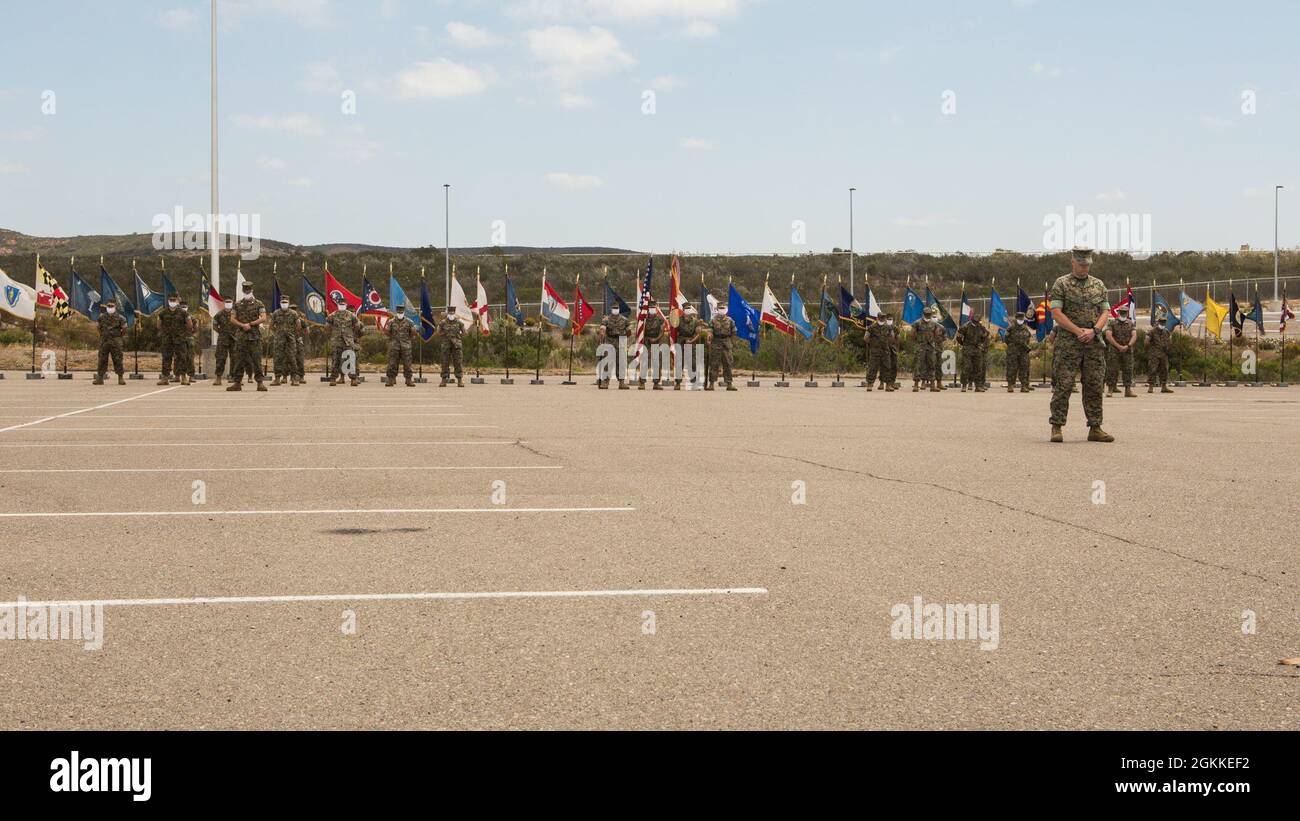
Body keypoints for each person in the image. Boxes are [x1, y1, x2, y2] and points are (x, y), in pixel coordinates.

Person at [1047, 247, 1113, 442]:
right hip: (1069, 343)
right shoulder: (1062, 284)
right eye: (1081, 264)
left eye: (1087, 265)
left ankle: (1095, 427)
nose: (1084, 268)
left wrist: (1094, 331)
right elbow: (1056, 313)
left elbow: (1105, 312)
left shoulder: (1099, 285)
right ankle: (1056, 427)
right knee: (1064, 385)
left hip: (1093, 343)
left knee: (1094, 385)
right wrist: (1078, 331)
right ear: (1073, 262)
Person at [227, 280, 267, 392]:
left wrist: (251, 324)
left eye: (248, 290)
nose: (247, 292)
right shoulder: (237, 304)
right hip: (241, 336)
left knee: (256, 360)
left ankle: (260, 383)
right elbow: (232, 319)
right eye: (245, 290)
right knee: (239, 360)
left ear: (252, 290)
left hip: (254, 336)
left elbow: (263, 317)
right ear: (243, 291)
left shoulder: (259, 304)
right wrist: (242, 325)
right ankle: (237, 383)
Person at [328, 298, 362, 386]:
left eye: (343, 304)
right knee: (336, 359)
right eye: (340, 304)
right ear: (338, 305)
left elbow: (357, 325)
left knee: (351, 359)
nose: (342, 306)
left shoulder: (351, 315)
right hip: (336, 341)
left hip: (348, 341)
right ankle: (333, 378)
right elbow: (327, 326)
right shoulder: (333, 315)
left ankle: (353, 379)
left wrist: (351, 334)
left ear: (346, 305)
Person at [93, 298, 127, 385]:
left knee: (118, 359)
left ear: (115, 307)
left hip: (116, 341)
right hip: (104, 341)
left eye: (111, 306)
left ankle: (120, 378)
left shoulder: (120, 317)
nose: (110, 307)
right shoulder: (102, 317)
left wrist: (119, 336)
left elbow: (124, 328)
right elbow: (98, 327)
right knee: (102, 359)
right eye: (108, 306)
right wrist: (103, 335)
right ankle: (100, 378)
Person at [1104, 311, 1137, 398]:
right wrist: (1118, 346)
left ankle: (1128, 390)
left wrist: (1128, 346)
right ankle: (1110, 389)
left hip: (1127, 350)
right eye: (1121, 312)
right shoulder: (1112, 323)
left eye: (1124, 313)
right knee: (1112, 369)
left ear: (1127, 313)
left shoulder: (1130, 323)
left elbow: (1134, 335)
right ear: (1118, 313)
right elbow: (1108, 335)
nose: (1123, 314)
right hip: (1114, 350)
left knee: (1128, 369)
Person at [597, 305, 631, 388]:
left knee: (621, 362)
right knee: (607, 361)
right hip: (609, 341)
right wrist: (601, 337)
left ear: (619, 309)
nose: (615, 310)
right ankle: (605, 382)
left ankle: (621, 382)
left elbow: (629, 331)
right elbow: (602, 329)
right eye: (614, 308)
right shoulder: (606, 319)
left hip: (620, 341)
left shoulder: (624, 320)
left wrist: (624, 337)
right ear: (611, 309)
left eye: (617, 308)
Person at [385, 303, 418, 387]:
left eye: (401, 311)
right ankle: (391, 379)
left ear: (404, 312)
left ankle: (408, 380)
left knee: (407, 363)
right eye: (399, 311)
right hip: (394, 346)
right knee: (392, 363)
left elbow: (413, 333)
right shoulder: (391, 322)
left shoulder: (409, 322)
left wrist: (407, 340)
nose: (400, 313)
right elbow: (387, 332)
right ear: (396, 312)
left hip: (406, 346)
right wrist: (393, 339)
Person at [270, 296, 300, 386]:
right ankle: (277, 378)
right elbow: (271, 325)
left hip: (290, 339)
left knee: (292, 358)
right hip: (279, 339)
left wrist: (292, 333)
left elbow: (298, 326)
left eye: (285, 302)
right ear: (280, 303)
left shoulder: (294, 313)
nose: (284, 303)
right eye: (282, 302)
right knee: (278, 358)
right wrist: (277, 332)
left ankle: (294, 378)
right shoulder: (276, 313)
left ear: (289, 302)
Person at [156, 295, 186, 385]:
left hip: (179, 339)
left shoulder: (183, 312)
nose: (172, 301)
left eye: (174, 300)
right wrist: (164, 332)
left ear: (177, 301)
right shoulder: (163, 313)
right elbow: (158, 325)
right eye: (171, 300)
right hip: (167, 339)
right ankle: (165, 378)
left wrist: (183, 333)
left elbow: (189, 324)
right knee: (166, 358)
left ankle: (184, 377)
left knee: (181, 358)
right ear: (168, 301)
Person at [707, 304, 737, 391]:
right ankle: (711, 384)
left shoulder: (730, 320)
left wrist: (732, 342)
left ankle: (729, 384)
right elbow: (710, 330)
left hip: (726, 343)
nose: (722, 310)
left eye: (723, 308)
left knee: (728, 364)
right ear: (717, 310)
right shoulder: (713, 320)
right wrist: (709, 336)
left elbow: (734, 332)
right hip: (716, 342)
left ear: (726, 309)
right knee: (714, 363)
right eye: (720, 308)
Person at [674, 304, 704, 390]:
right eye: (686, 308)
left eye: (689, 308)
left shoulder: (695, 321)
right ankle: (678, 383)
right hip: (680, 343)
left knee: (693, 363)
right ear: (683, 310)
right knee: (679, 363)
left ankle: (694, 381)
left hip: (691, 342)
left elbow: (698, 334)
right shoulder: (678, 320)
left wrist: (691, 341)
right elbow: (674, 332)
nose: (687, 310)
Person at [956, 314, 989, 392]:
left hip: (977, 350)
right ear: (971, 320)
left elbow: (985, 336)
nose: (976, 323)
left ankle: (978, 386)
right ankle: (964, 385)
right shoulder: (965, 327)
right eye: (974, 321)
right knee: (966, 367)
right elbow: (958, 338)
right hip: (967, 349)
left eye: (977, 321)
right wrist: (964, 344)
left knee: (978, 368)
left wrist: (981, 344)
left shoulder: (981, 327)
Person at [1004, 310, 1033, 393]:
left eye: (1022, 319)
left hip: (1023, 352)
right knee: (1012, 368)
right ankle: (1010, 385)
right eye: (1019, 318)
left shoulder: (1025, 328)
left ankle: (1024, 385)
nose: (1021, 320)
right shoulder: (1011, 328)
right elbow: (1006, 339)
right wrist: (1013, 346)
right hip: (1013, 351)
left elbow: (1028, 338)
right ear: (1016, 319)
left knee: (1024, 368)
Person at [641, 298, 666, 389]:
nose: (652, 309)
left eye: (653, 307)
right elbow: (640, 331)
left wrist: (656, 339)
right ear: (648, 309)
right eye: (650, 307)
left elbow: (662, 331)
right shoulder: (644, 319)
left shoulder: (660, 319)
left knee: (657, 362)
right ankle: (642, 382)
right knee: (644, 361)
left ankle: (656, 383)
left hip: (656, 341)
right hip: (646, 340)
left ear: (655, 308)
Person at [1146, 309, 1174, 394]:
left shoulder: (1166, 332)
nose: (1162, 323)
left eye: (1164, 322)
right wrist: (1149, 350)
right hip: (1154, 354)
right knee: (1152, 369)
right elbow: (1146, 341)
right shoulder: (1152, 331)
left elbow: (1170, 342)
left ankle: (1164, 386)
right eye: (1161, 322)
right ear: (1158, 322)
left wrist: (1168, 348)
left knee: (1164, 370)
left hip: (1164, 354)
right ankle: (1151, 386)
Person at [438, 308, 465, 387]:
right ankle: (443, 380)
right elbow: (438, 331)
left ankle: (460, 380)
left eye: (452, 313)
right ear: (448, 314)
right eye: (450, 313)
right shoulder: (443, 322)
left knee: (458, 362)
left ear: (454, 313)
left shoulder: (459, 323)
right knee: (444, 362)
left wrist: (458, 336)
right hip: (446, 345)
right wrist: (444, 335)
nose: (451, 315)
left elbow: (464, 332)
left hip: (456, 345)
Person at [212, 297, 236, 386]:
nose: (228, 303)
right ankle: (218, 377)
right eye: (227, 302)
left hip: (234, 339)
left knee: (235, 358)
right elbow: (214, 325)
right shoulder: (219, 314)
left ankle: (233, 377)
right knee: (220, 358)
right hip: (223, 339)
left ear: (232, 303)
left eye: (230, 302)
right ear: (224, 303)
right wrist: (221, 332)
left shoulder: (236, 313)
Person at [864, 313, 891, 391]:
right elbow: (866, 338)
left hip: (885, 351)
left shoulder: (888, 327)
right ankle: (870, 384)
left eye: (883, 318)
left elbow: (891, 337)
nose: (882, 320)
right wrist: (872, 344)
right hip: (875, 351)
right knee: (872, 367)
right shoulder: (871, 327)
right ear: (877, 318)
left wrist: (886, 344)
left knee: (887, 367)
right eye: (881, 318)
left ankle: (888, 385)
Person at [179, 300, 197, 385]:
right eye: (182, 307)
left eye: (185, 307)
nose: (184, 308)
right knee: (179, 358)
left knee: (190, 358)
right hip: (179, 339)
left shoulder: (192, 317)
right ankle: (177, 375)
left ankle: (191, 376)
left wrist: (190, 334)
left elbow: (195, 329)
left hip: (189, 339)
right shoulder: (177, 317)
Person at [292, 303, 307, 386]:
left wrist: (301, 334)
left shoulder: (301, 320)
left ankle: (301, 377)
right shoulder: (286, 319)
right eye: (292, 308)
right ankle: (286, 376)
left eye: (294, 308)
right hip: (287, 341)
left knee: (300, 359)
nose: (293, 310)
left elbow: (306, 330)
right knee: (287, 359)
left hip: (298, 340)